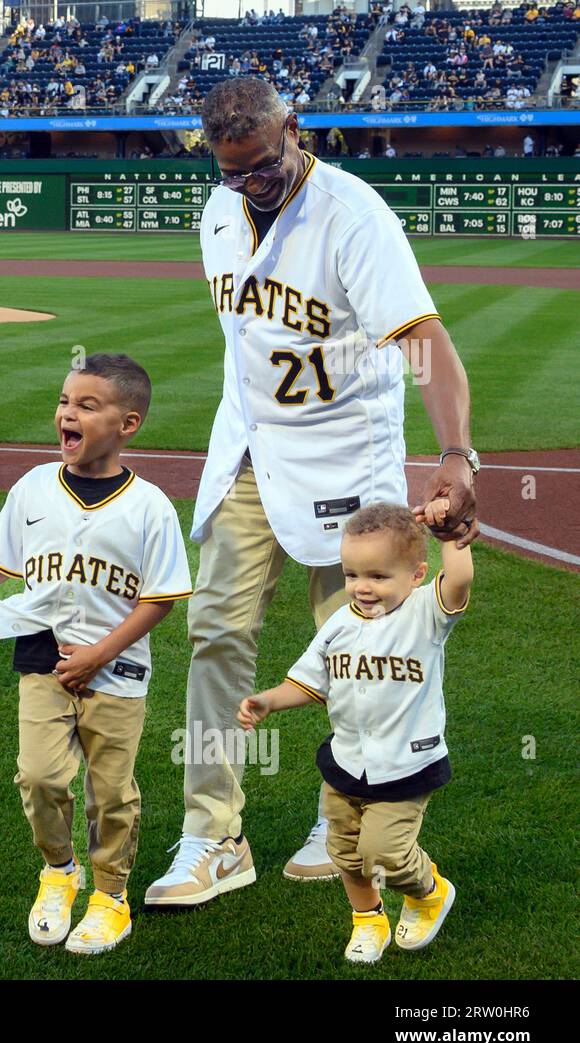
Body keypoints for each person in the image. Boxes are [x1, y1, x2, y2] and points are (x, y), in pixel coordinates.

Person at [143, 77, 478, 908]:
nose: (247, 182)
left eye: (259, 165)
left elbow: (423, 338)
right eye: (230, 171)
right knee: (215, 633)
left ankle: (349, 817)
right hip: (252, 451)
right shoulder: (219, 214)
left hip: (347, 464)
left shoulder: (352, 214)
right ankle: (213, 834)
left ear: (294, 129)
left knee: (358, 652)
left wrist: (457, 453)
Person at [0, 354, 192, 954]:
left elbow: (160, 600)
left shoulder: (150, 505)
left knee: (111, 793)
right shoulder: (33, 485)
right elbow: (1, 558)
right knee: (40, 776)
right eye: (64, 402)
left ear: (127, 424)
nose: (67, 413)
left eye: (87, 405)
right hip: (40, 656)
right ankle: (59, 870)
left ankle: (111, 896)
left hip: (117, 669)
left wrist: (98, 655)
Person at [238, 502, 470, 963]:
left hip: (406, 763)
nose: (362, 587)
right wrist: (269, 700)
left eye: (379, 576)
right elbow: (306, 683)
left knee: (383, 854)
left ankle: (429, 891)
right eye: (351, 575)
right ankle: (367, 918)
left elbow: (459, 580)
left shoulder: (426, 615)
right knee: (344, 851)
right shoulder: (339, 624)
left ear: (416, 575)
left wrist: (450, 535)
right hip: (346, 762)